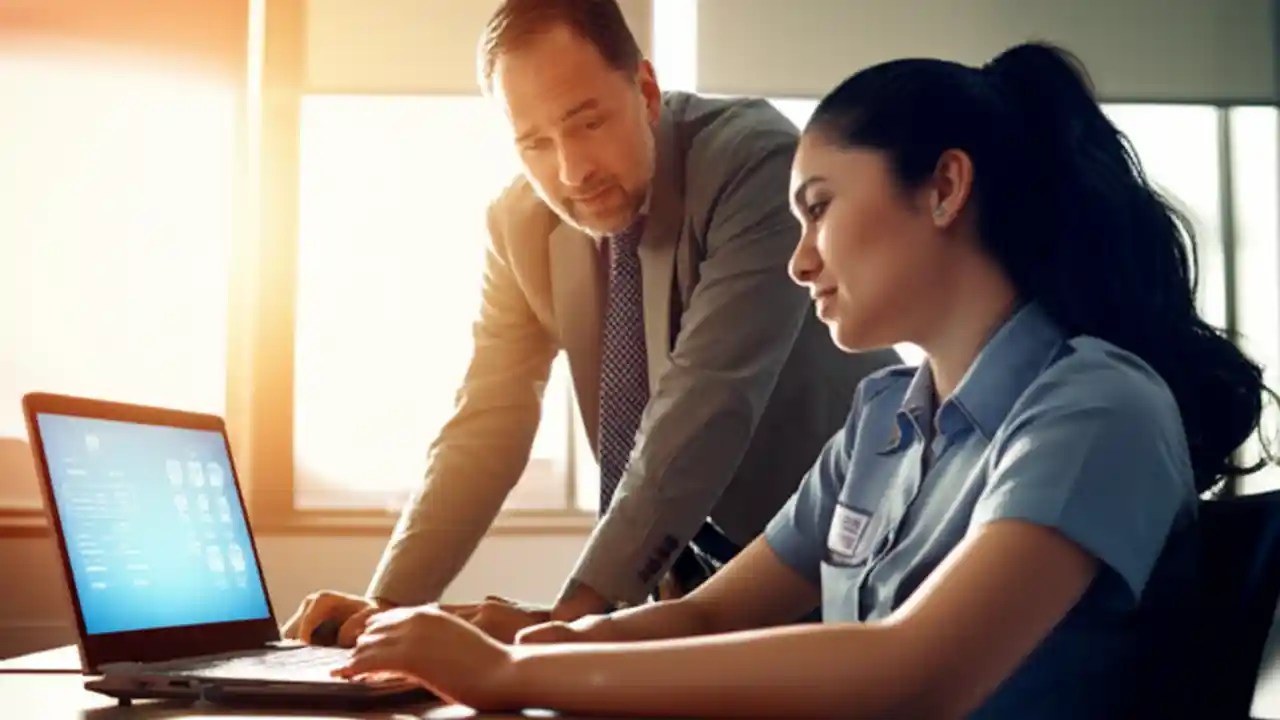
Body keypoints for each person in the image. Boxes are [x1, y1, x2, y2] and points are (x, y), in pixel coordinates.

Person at [328, 42, 1273, 719]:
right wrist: (522, 641)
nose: (799, 259)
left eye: (819, 210)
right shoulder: (882, 423)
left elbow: (914, 673)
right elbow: (705, 615)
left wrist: (512, 677)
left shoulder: (1096, 406)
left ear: (945, 189)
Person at [283, 0, 896, 646]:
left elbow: (707, 401)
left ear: (646, 90)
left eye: (588, 122)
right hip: (694, 588)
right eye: (536, 143)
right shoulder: (519, 225)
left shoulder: (754, 163)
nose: (572, 171)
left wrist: (571, 622)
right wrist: (382, 611)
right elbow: (488, 421)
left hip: (853, 557)